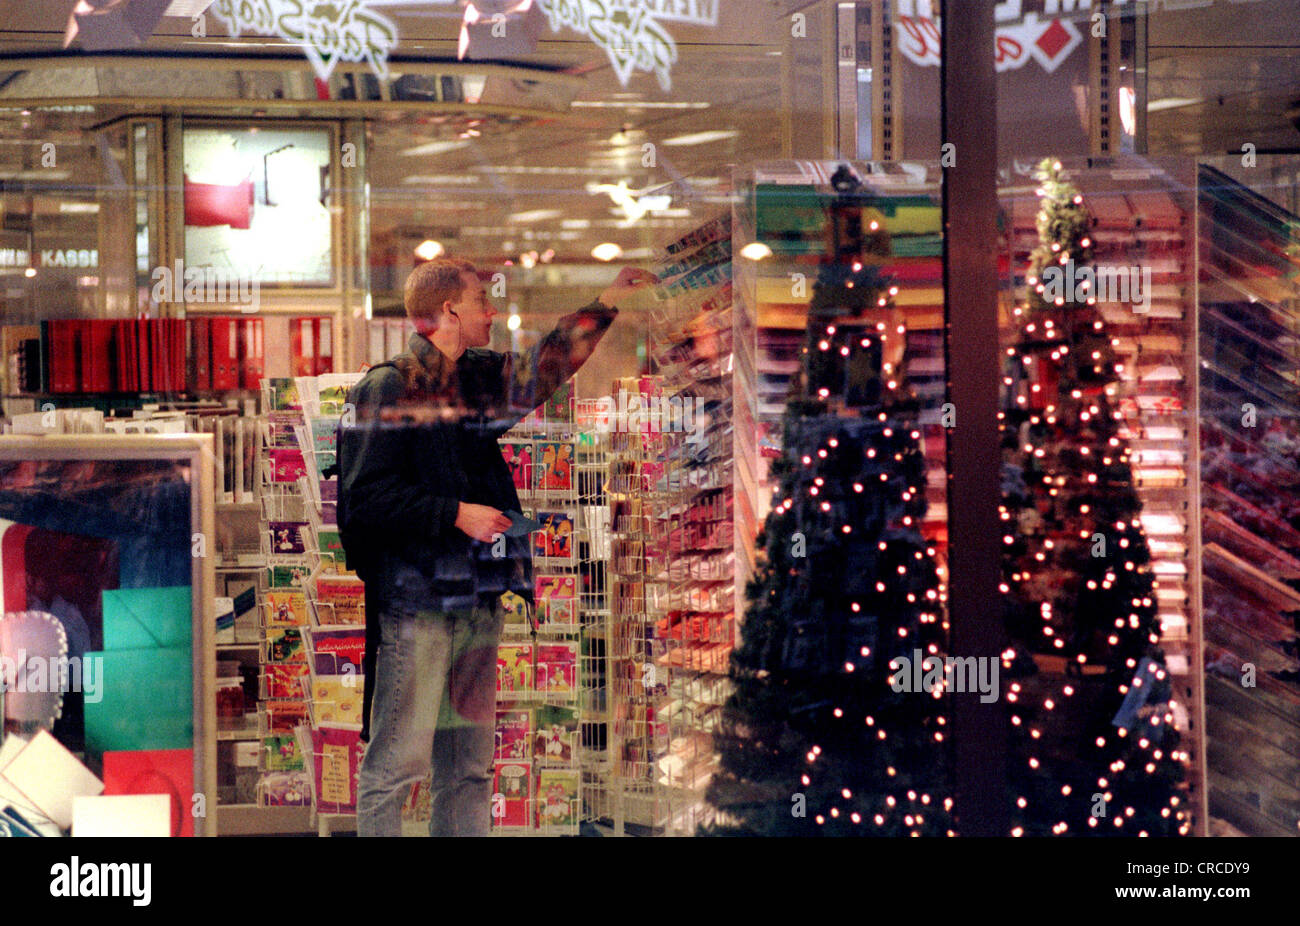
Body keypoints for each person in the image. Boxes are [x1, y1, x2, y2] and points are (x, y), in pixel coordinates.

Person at [337, 256, 655, 836]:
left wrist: (605, 303)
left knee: (470, 769)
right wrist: (455, 514)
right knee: (396, 766)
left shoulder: (475, 379)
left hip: (476, 600)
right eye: (482, 300)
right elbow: (364, 501)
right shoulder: (386, 386)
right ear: (451, 310)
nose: (494, 310)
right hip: (418, 605)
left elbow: (546, 366)